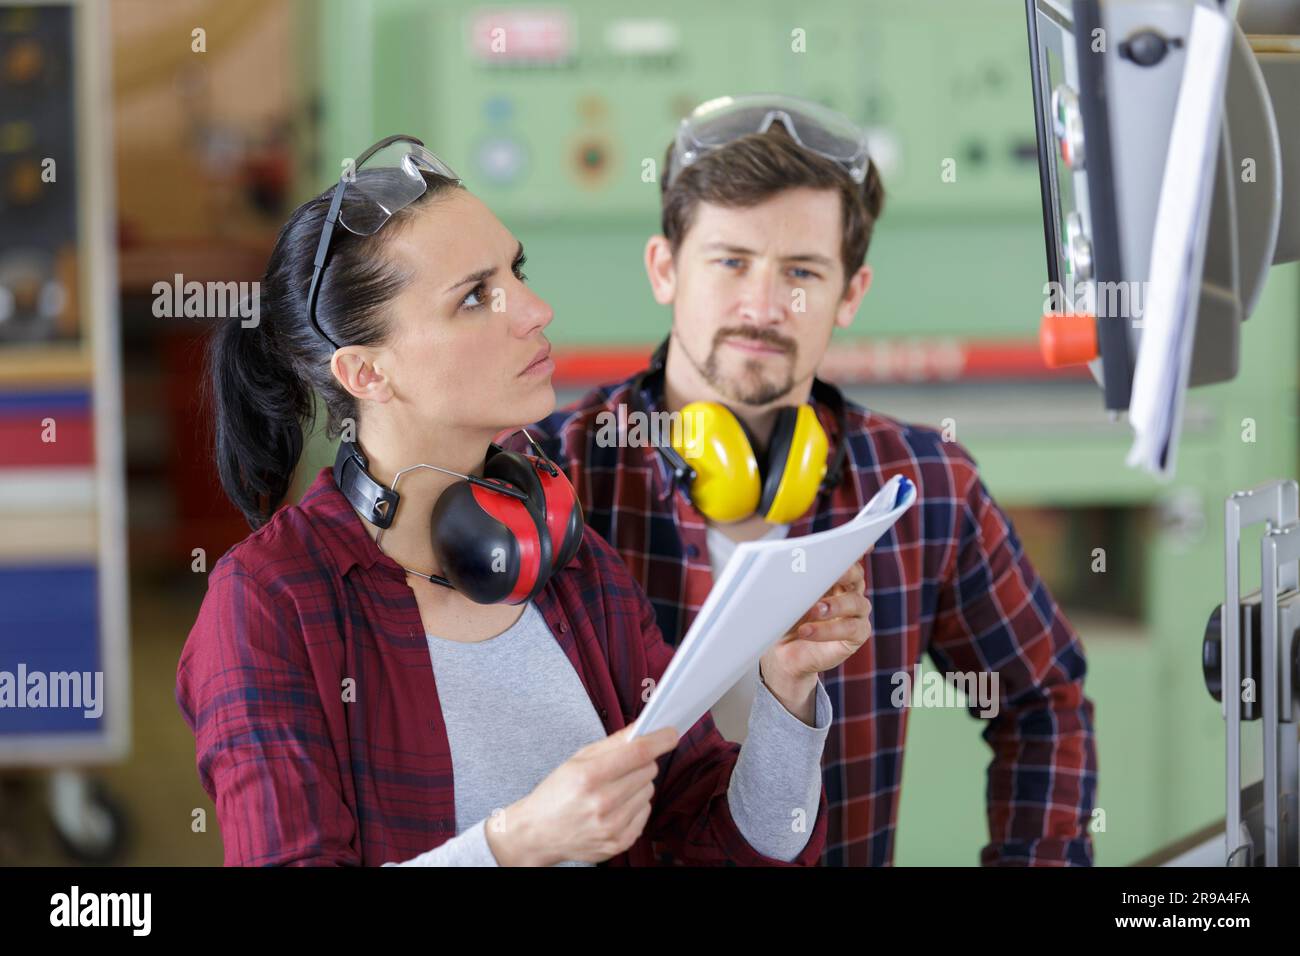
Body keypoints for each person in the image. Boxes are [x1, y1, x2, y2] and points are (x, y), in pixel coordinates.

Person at [175, 135, 872, 867]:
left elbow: (720, 844)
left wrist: (787, 694)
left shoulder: (567, 557)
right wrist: (515, 845)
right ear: (367, 372)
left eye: (517, 271)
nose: (535, 310)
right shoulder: (267, 603)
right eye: (476, 296)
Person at [513, 96, 1100, 866]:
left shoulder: (927, 486)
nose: (763, 306)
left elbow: (1043, 700)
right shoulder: (550, 478)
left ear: (850, 294)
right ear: (665, 269)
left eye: (801, 271)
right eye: (730, 261)